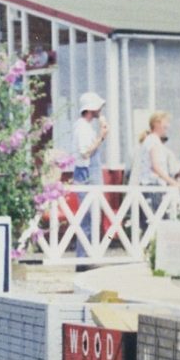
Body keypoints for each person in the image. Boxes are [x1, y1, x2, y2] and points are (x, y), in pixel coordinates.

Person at [71, 92, 109, 258]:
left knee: (92, 217)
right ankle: (83, 258)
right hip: (86, 174)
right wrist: (101, 137)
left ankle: (87, 256)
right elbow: (85, 152)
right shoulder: (82, 127)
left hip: (87, 172)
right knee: (88, 217)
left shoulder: (85, 126)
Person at [129, 111, 180, 211]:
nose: (168, 125)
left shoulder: (153, 140)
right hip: (152, 187)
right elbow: (155, 166)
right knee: (156, 220)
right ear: (157, 123)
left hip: (153, 187)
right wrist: (173, 182)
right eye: (165, 122)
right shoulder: (153, 140)